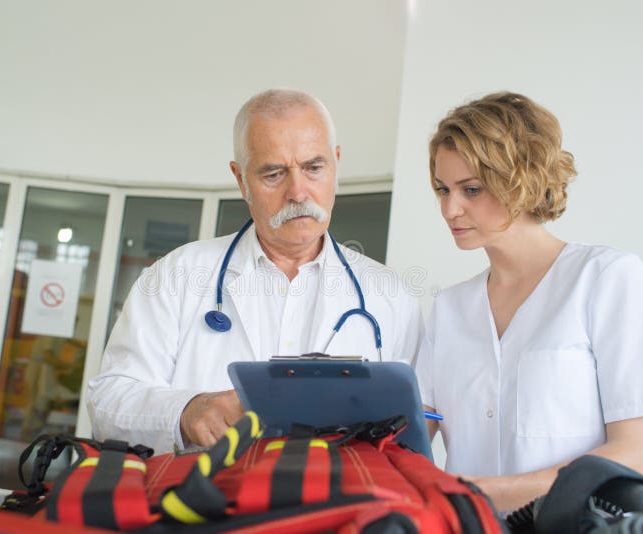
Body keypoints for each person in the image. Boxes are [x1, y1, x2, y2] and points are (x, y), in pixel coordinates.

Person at [88, 89, 423, 454]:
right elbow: (107, 402)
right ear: (240, 179)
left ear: (336, 164)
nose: (298, 192)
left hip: (336, 506)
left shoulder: (391, 297)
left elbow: (413, 434)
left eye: (314, 168)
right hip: (204, 502)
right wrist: (185, 411)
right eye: (274, 173)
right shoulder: (175, 276)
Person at [418, 91, 643, 511]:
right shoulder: (450, 309)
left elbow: (635, 456)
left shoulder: (605, 278)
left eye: (471, 189)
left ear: (520, 182)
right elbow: (410, 440)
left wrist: (478, 492)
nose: (451, 208)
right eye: (442, 189)